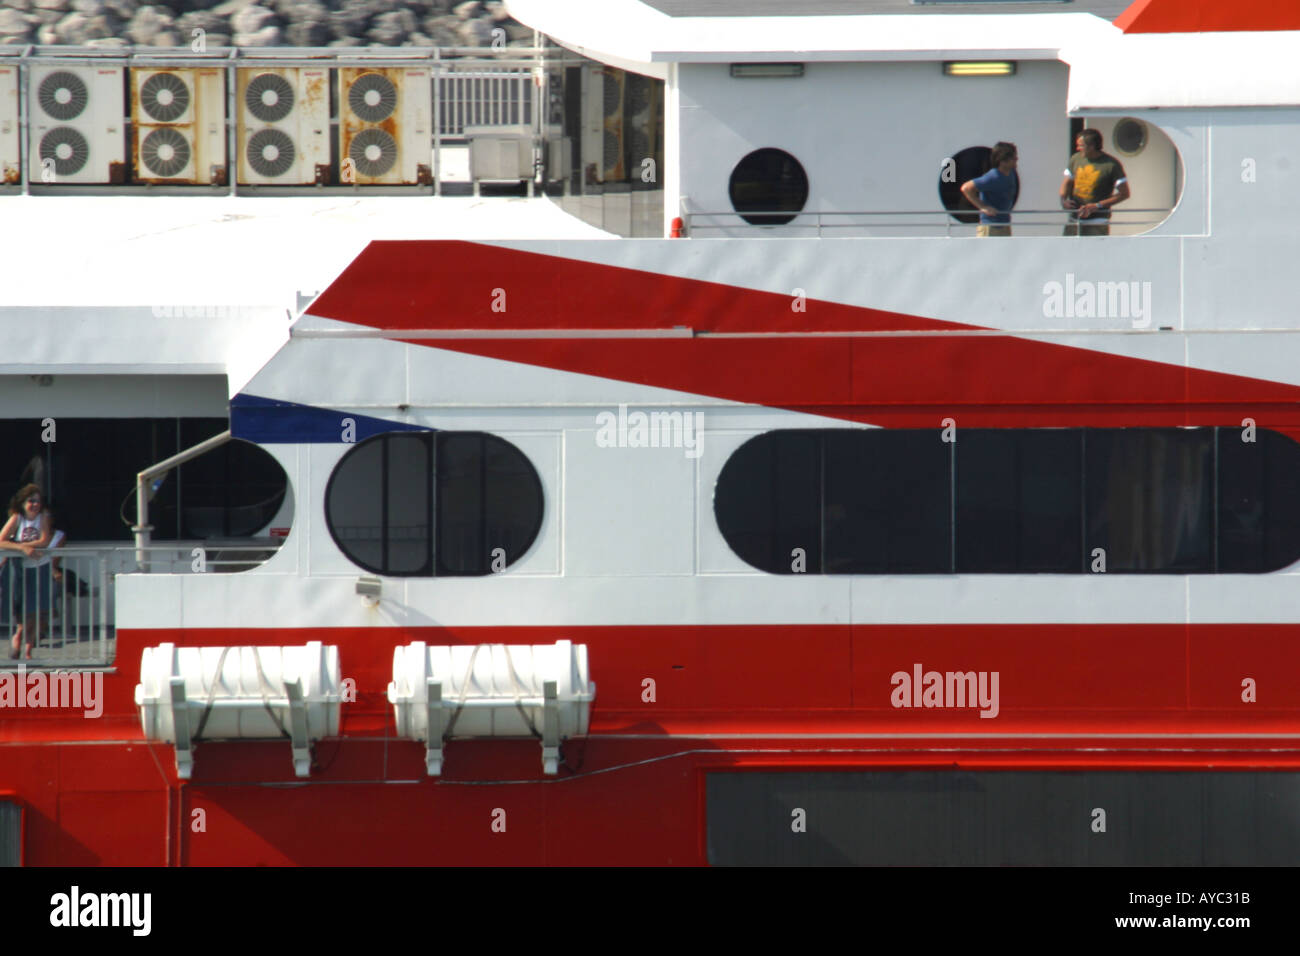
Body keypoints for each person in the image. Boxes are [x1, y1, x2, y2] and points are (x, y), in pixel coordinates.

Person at [0, 484, 55, 659]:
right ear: (23, 502)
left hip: (41, 567)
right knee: (23, 610)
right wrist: (22, 548)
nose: (35, 504)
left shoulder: (43, 517)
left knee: (37, 610)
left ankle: (28, 649)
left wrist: (21, 546)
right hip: (21, 570)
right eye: (31, 501)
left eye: (38, 501)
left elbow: (44, 540)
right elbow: (1, 540)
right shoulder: (17, 518)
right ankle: (18, 637)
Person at [1060, 129, 1130, 236]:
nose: (1077, 148)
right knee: (1067, 250)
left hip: (1097, 222)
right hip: (1075, 220)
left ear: (1092, 146)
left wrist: (1097, 205)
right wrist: (1063, 200)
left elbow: (1124, 194)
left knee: (1094, 251)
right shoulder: (1075, 159)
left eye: (1081, 146)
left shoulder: (1111, 165)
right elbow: (1067, 182)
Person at [961, 142, 1019, 237]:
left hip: (1004, 225)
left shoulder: (1011, 173)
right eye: (1014, 158)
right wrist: (983, 207)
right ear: (1003, 161)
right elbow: (966, 188)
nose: (1017, 160)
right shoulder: (993, 177)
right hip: (990, 227)